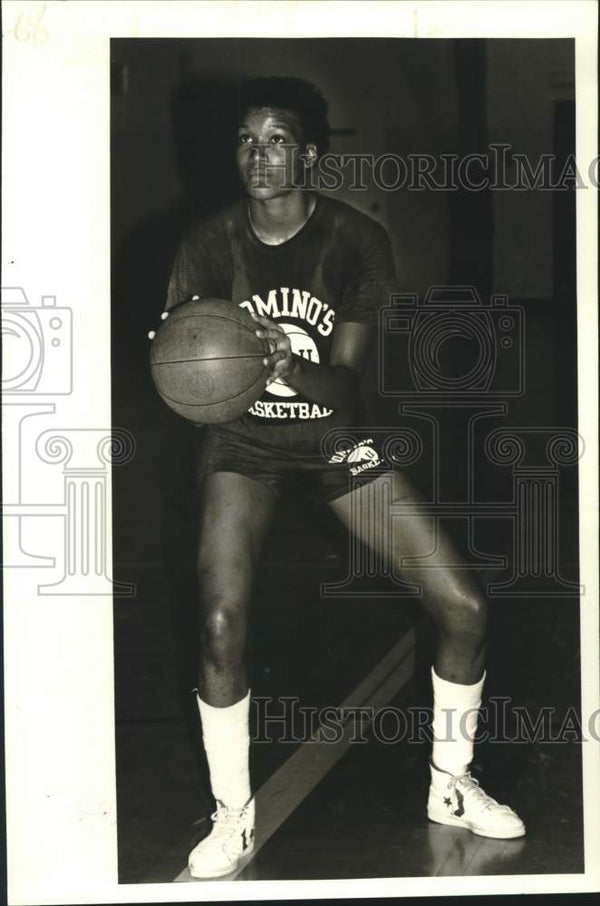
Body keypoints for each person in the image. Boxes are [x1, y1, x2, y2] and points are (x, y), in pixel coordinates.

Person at [155, 76, 525, 880]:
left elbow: (346, 386)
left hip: (333, 436)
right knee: (219, 621)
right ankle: (231, 815)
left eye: (277, 139)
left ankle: (451, 785)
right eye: (247, 140)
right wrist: (178, 357)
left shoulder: (355, 242)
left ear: (311, 154)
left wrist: (283, 359)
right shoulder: (208, 244)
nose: (259, 154)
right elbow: (182, 375)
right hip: (242, 446)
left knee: (462, 606)